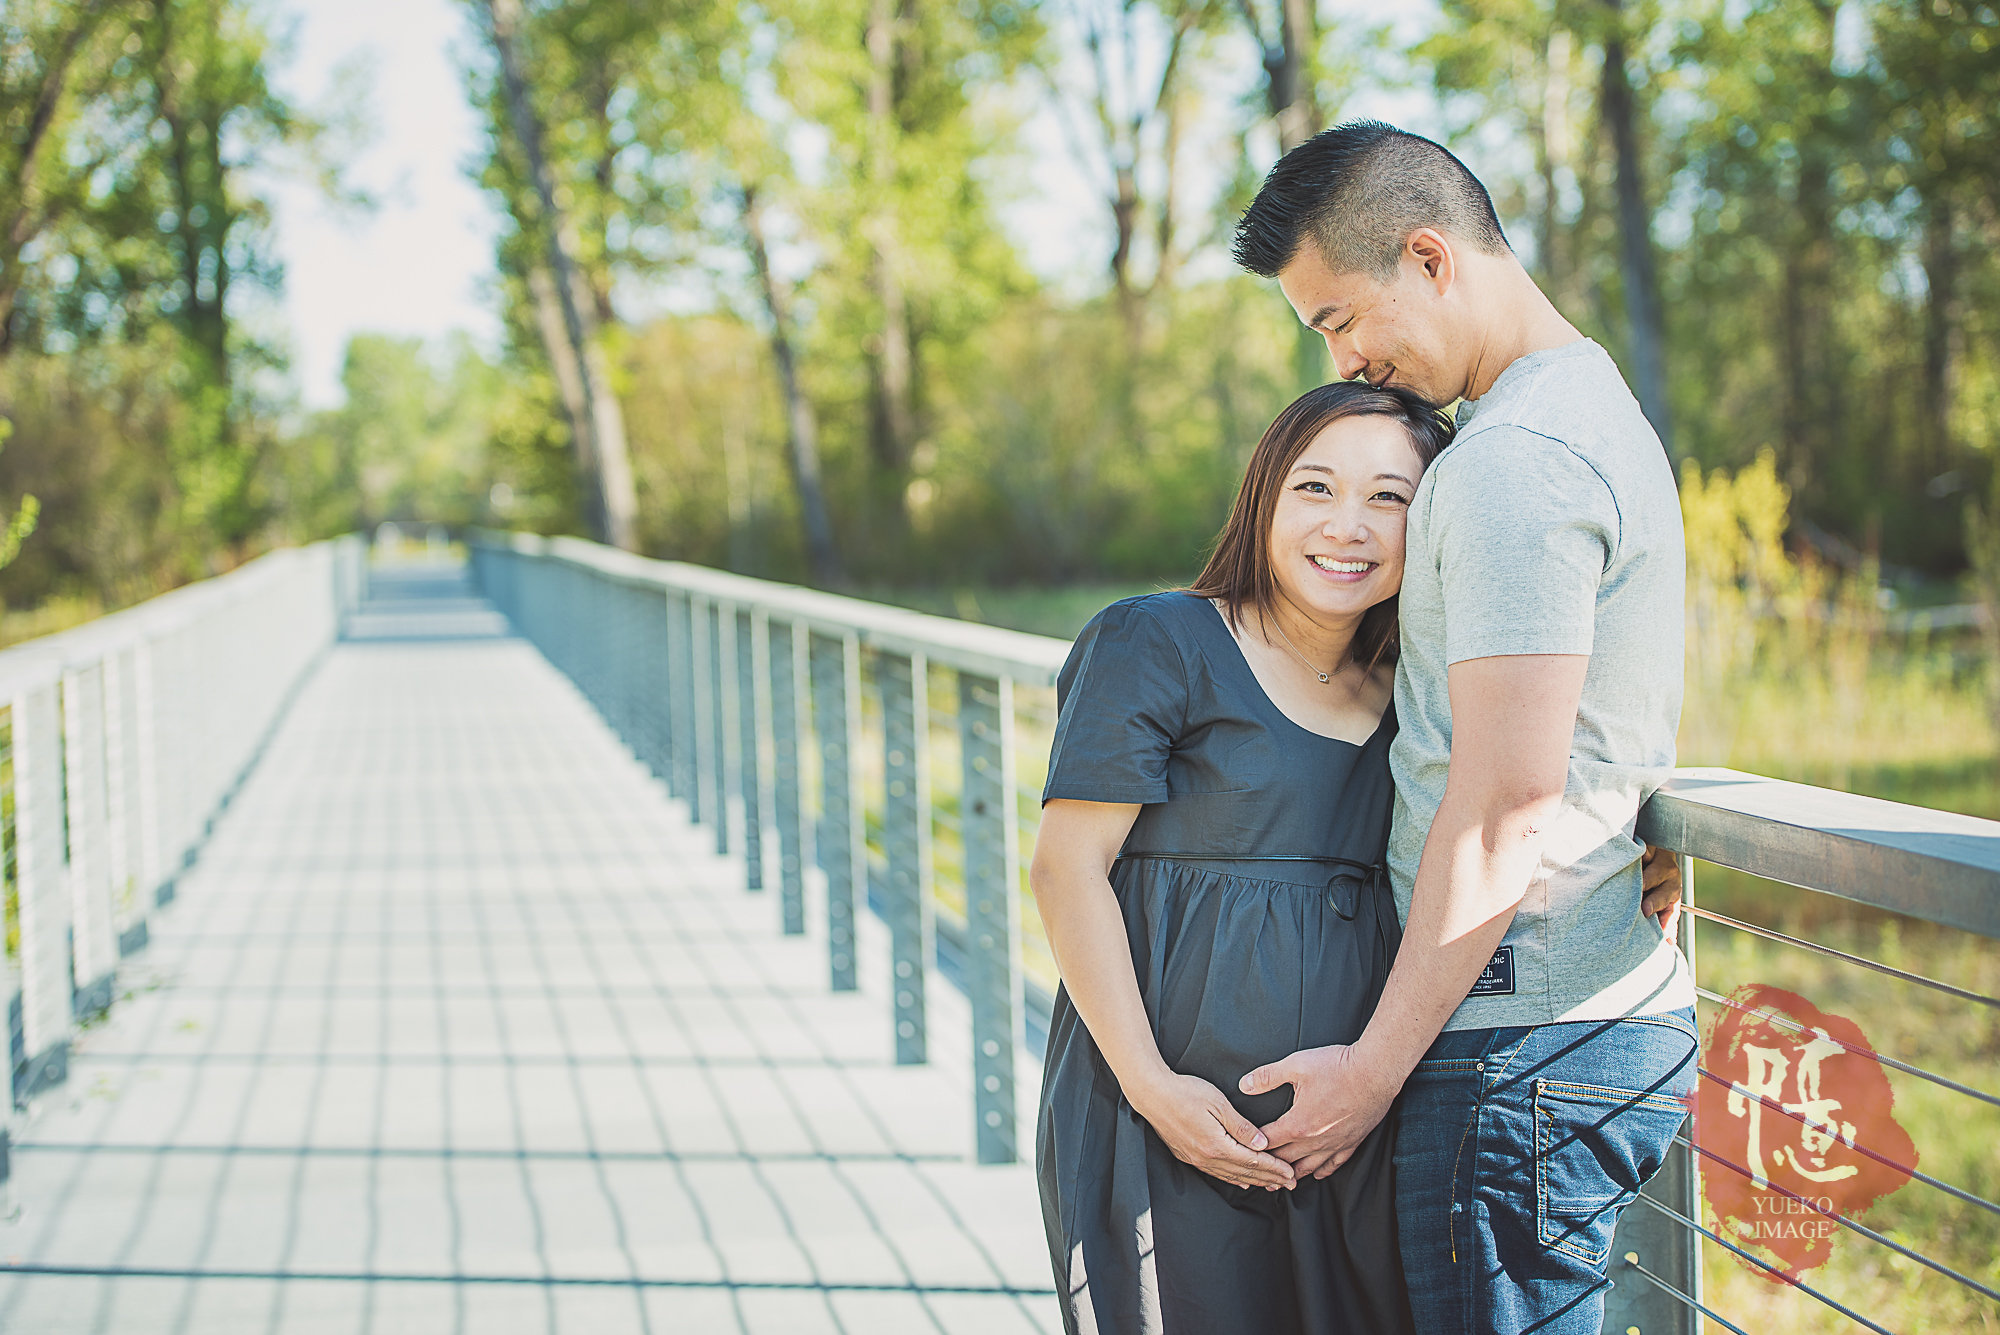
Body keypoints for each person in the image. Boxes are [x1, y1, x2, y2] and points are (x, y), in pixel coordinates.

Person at [1028, 381, 1682, 1334]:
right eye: (1315, 488)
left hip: (1358, 1120)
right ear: (1263, 499)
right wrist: (1151, 1088)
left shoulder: (1421, 693)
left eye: (1391, 498)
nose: (1349, 525)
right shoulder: (1157, 640)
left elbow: (1521, 789)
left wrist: (1642, 835)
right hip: (1163, 1111)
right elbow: (1065, 869)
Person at [1228, 120, 1698, 1334]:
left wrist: (1368, 1076)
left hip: (1513, 1049)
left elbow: (1501, 804)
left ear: (1429, 259)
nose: (1343, 356)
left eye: (1336, 317)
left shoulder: (1511, 463)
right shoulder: (1593, 408)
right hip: (1572, 1026)